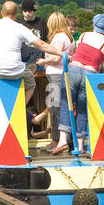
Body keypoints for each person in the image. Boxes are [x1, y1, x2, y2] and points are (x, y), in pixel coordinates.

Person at [63, 14, 104, 154]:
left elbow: (75, 52)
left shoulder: (84, 35)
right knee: (82, 111)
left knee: (67, 104)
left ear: (93, 25)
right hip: (90, 75)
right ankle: (80, 145)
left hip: (74, 70)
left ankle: (64, 140)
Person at [0, 1, 62, 92]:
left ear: (1, 13)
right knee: (31, 85)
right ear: (16, 14)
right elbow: (42, 45)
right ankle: (23, 105)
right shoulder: (19, 27)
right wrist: (61, 54)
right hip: (15, 70)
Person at [43, 12, 73, 153]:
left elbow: (56, 57)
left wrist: (44, 61)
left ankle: (57, 140)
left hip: (56, 75)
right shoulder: (68, 37)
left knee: (56, 108)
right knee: (63, 107)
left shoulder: (59, 37)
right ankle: (63, 139)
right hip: (63, 74)